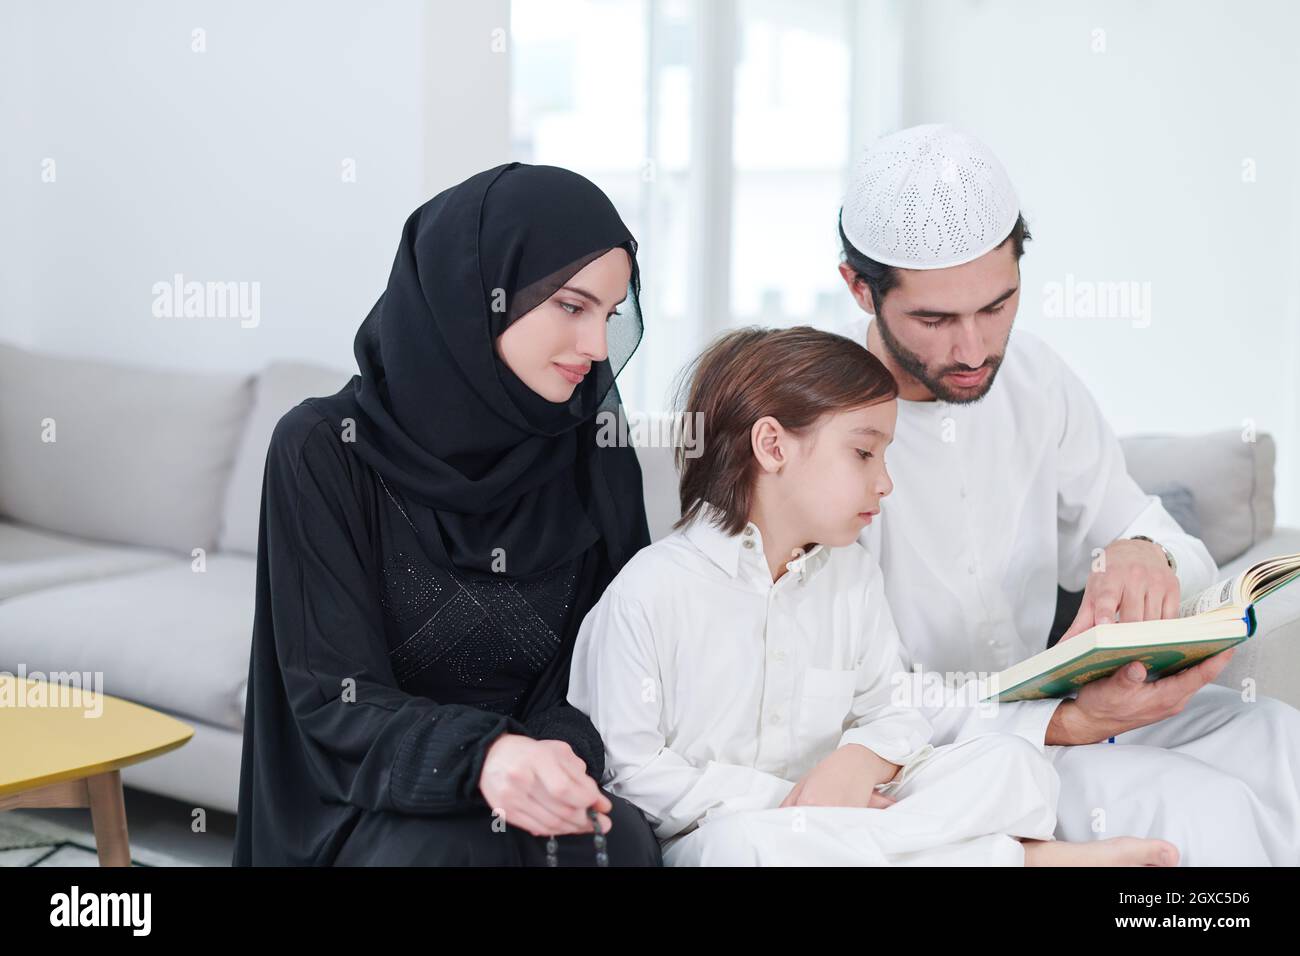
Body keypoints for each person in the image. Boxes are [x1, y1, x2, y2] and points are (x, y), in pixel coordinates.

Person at [840, 123, 1300, 864]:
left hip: (1067, 710)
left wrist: (1143, 552)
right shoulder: (819, 423)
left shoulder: (1032, 377)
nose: (973, 350)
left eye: (996, 306)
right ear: (859, 288)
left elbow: (1151, 531)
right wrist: (1065, 725)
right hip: (941, 753)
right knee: (1202, 812)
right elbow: (847, 700)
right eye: (934, 319)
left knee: (1282, 741)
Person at [568, 326, 1179, 866]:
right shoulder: (649, 592)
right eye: (863, 453)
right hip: (733, 833)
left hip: (857, 809)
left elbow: (893, 707)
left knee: (1012, 766)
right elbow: (632, 774)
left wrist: (862, 757)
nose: (884, 482)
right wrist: (795, 804)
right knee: (744, 851)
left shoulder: (851, 577)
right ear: (773, 446)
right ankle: (1018, 861)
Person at [233, 162, 661, 866]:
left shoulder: (593, 448)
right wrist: (485, 757)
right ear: (477, 294)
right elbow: (330, 697)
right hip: (364, 793)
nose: (595, 348)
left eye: (610, 316)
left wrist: (550, 755)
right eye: (572, 306)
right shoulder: (324, 448)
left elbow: (609, 664)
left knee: (620, 843)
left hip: (541, 780)